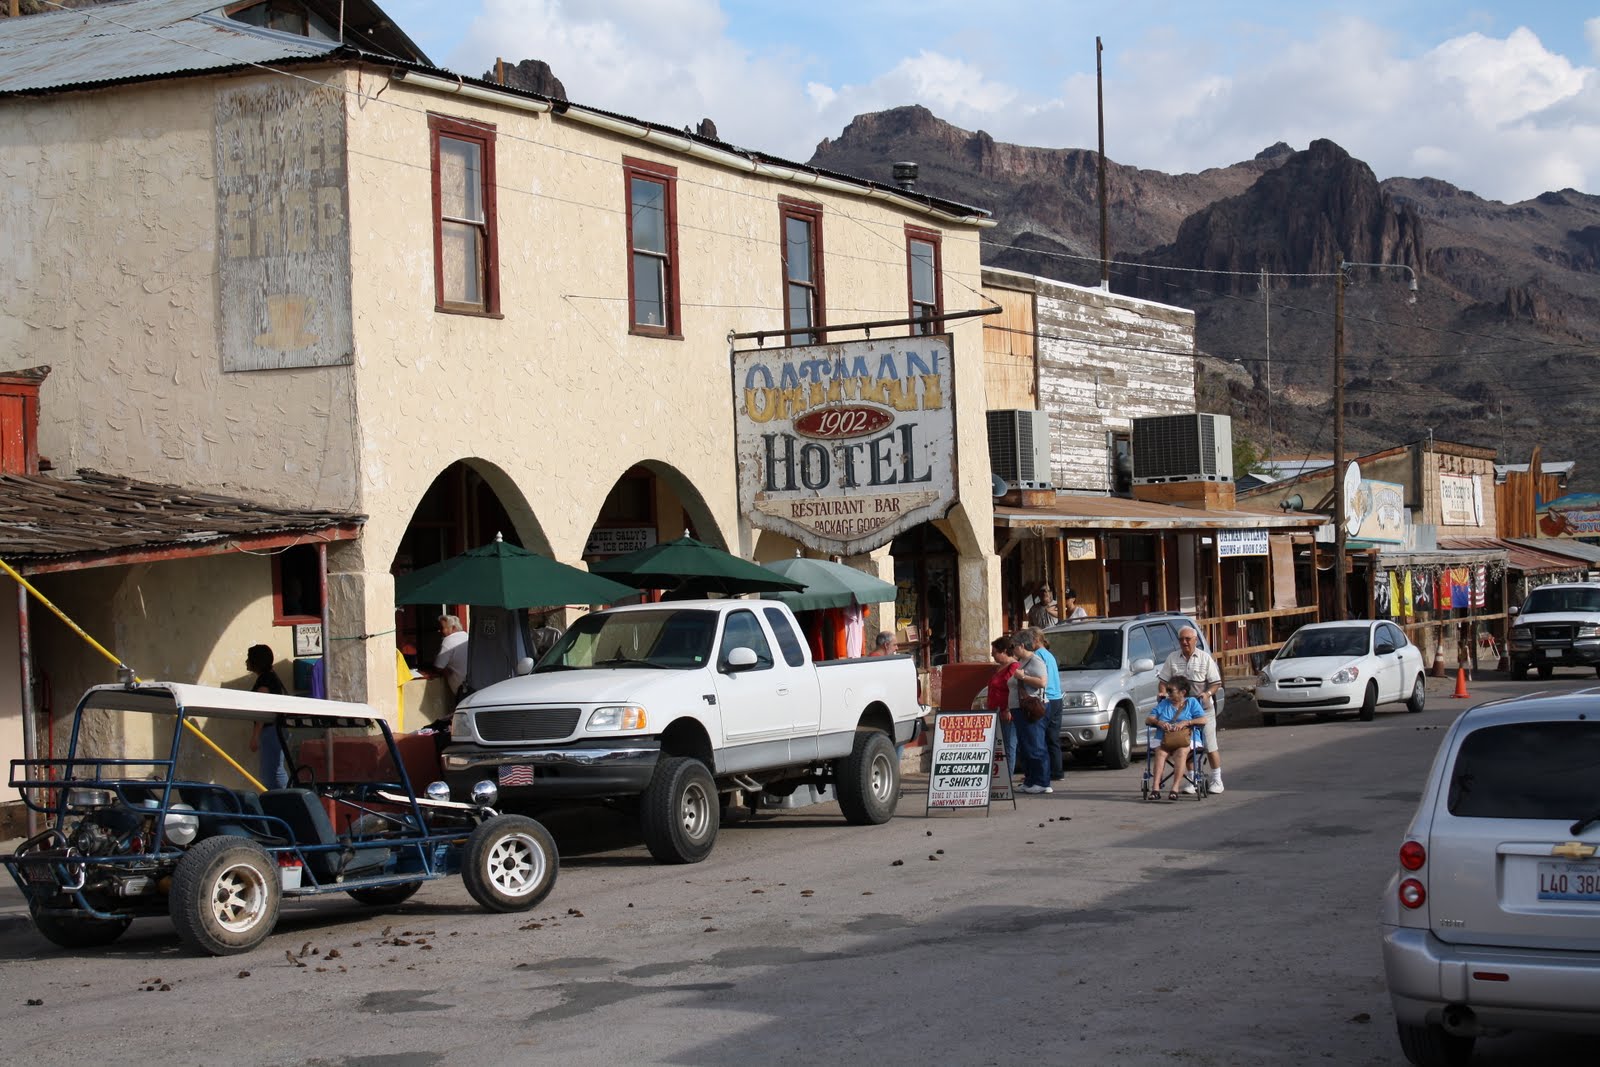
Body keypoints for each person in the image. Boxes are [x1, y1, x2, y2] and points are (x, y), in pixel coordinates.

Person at [1158, 625, 1226, 793]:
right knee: (1186, 744)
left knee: (1209, 745)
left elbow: (1216, 683)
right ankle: (1191, 779)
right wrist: (1161, 691)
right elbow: (1163, 681)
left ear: (1195, 640)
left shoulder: (1204, 658)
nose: (1184, 642)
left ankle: (1217, 779)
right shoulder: (1172, 658)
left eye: (1188, 639)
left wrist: (1207, 693)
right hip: (1180, 711)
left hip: (1202, 709)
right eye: (1181, 639)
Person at [1144, 675, 1206, 801]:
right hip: (1164, 738)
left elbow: (1203, 719)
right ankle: (1155, 788)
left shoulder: (1192, 702)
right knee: (1160, 753)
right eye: (1168, 691)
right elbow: (1149, 718)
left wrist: (1186, 722)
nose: (1168, 694)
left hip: (1186, 738)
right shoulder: (1164, 703)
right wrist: (1159, 723)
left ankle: (1175, 788)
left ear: (1183, 692)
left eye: (1171, 691)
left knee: (1182, 752)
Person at [1022, 627, 1065, 782]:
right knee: (1053, 738)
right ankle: (1057, 772)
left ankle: (1042, 774)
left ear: (1035, 640)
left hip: (1046, 698)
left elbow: (1038, 678)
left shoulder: (1038, 655)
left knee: (1039, 738)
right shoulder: (1049, 654)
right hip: (1057, 698)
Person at [244, 644, 290, 789]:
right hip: (277, 730)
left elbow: (262, 709)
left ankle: (284, 801)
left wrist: (255, 736)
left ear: (256, 662)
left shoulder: (265, 680)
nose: (246, 661)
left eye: (249, 658)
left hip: (271, 731)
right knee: (273, 771)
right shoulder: (271, 677)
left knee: (271, 773)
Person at [1011, 634, 1052, 794]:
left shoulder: (1036, 661)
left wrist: (1024, 677)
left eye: (1014, 646)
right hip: (1020, 710)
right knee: (1025, 746)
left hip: (1031, 709)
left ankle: (1042, 782)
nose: (1012, 649)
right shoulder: (1022, 661)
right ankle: (1030, 780)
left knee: (1035, 745)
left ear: (1021, 645)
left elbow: (1042, 682)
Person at [987, 636, 1021, 777]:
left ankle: (1008, 776)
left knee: (1009, 745)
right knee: (1000, 746)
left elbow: (1014, 690)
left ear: (1004, 651)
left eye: (994, 652)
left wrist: (1007, 709)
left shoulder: (1014, 667)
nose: (992, 655)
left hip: (1007, 712)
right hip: (995, 711)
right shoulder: (1000, 667)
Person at [433, 613, 471, 706]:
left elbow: (438, 666)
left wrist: (446, 671)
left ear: (453, 628)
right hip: (473, 685)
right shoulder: (467, 636)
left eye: (443, 627)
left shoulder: (449, 640)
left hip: (462, 688)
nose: (441, 631)